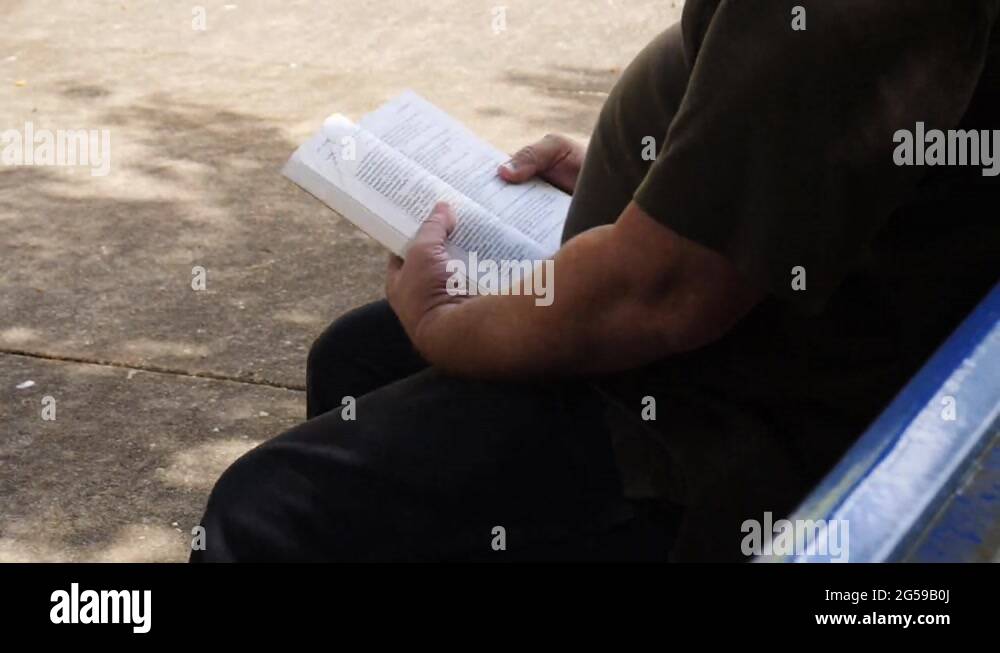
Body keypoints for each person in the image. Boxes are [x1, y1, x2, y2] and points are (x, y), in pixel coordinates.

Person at [192, 0, 1000, 562]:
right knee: (360, 356)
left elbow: (658, 295)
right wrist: (656, 180)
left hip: (731, 421)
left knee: (269, 508)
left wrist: (445, 325)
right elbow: (792, 138)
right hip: (770, 346)